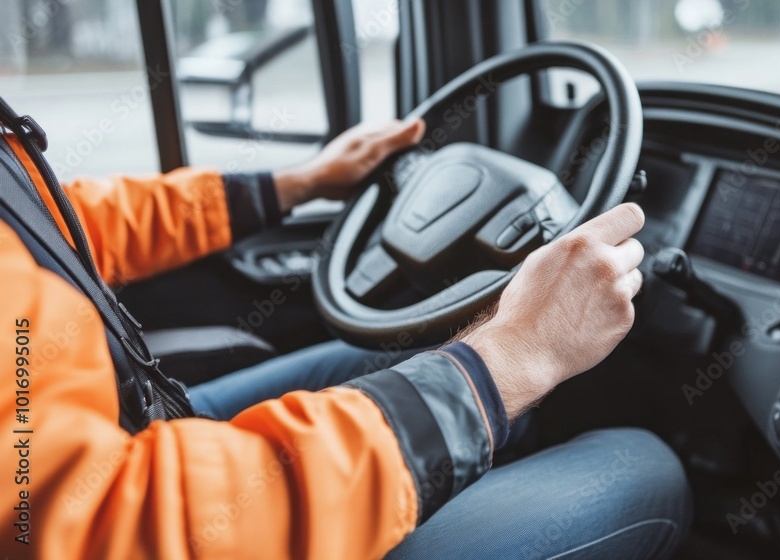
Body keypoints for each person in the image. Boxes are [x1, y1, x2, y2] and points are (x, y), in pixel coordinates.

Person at [0, 112, 691, 559]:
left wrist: (297, 183)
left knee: (398, 355)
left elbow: (54, 226)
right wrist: (508, 361)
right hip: (151, 512)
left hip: (129, 429)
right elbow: (102, 529)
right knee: (645, 467)